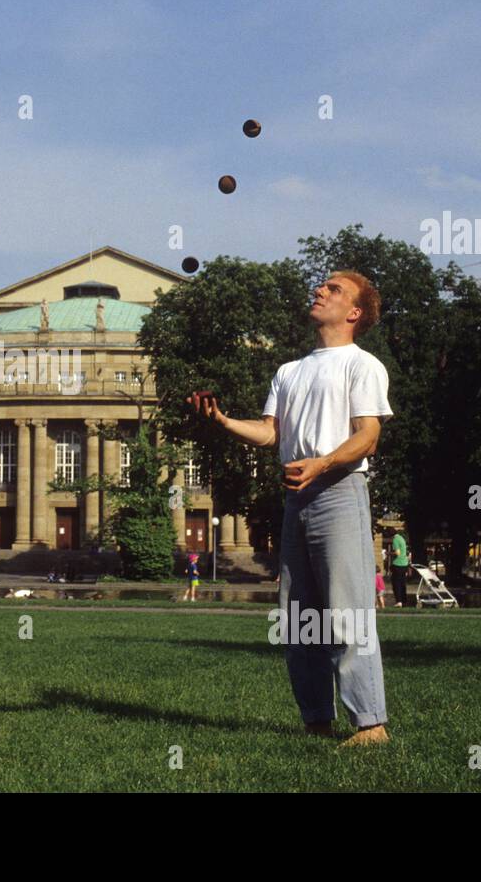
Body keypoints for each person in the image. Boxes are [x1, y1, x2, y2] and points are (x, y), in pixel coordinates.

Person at [191, 270, 392, 746]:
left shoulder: (362, 365)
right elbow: (269, 434)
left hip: (340, 491)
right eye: (322, 286)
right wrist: (220, 419)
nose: (320, 291)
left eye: (334, 290)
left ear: (355, 312)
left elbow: (369, 436)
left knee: (347, 612)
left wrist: (322, 464)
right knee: (299, 617)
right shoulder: (289, 370)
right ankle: (316, 720)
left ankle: (371, 725)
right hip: (295, 497)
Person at [389, 529, 409, 608]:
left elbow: (397, 553)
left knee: (396, 584)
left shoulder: (395, 540)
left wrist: (388, 553)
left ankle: (399, 601)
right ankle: (404, 601)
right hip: (404, 564)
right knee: (402, 583)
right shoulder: (401, 538)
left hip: (398, 564)